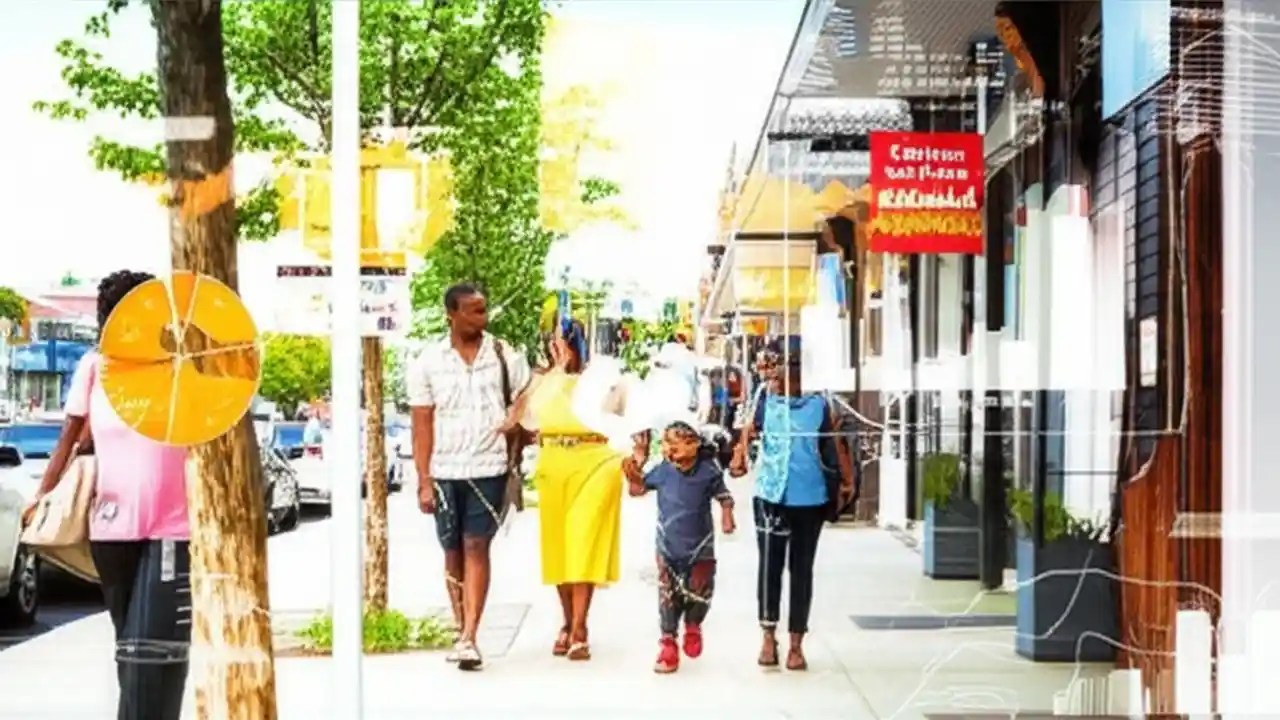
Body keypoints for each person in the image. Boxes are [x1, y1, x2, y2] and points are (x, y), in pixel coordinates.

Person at [26, 270, 192, 720]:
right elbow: (69, 439)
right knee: (129, 646)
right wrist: (42, 496)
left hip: (172, 528)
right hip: (112, 525)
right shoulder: (95, 368)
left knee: (155, 648)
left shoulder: (178, 368)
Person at [501, 318, 648, 661]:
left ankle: (580, 627)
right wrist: (554, 372)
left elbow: (634, 416)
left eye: (564, 340)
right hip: (554, 462)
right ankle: (566, 622)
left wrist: (637, 457)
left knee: (584, 543)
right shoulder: (542, 380)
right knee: (560, 547)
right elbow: (522, 420)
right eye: (553, 341)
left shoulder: (603, 378)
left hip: (597, 462)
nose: (558, 347)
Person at [408, 282, 531, 671]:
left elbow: (529, 389)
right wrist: (424, 478)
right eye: (474, 311)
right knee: (452, 550)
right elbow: (421, 423)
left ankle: (470, 635)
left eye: (484, 309)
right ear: (452, 314)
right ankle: (461, 623)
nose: (483, 317)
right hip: (445, 470)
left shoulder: (502, 353)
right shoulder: (428, 361)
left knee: (477, 545)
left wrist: (516, 416)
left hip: (488, 466)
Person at [729, 352, 853, 671]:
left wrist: (847, 479)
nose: (786, 379)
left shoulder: (820, 404)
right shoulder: (764, 399)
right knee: (769, 568)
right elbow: (748, 430)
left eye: (794, 373)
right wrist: (740, 455)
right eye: (784, 372)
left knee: (802, 570)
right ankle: (768, 637)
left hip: (810, 496)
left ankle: (796, 643)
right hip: (770, 494)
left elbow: (835, 442)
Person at [624, 421, 735, 674]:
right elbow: (636, 489)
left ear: (694, 445)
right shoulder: (662, 471)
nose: (669, 451)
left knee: (701, 589)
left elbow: (724, 496)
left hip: (700, 545)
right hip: (667, 544)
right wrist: (635, 466)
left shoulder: (708, 471)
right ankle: (668, 642)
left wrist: (727, 515)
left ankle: (693, 624)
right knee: (667, 593)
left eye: (675, 445)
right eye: (664, 445)